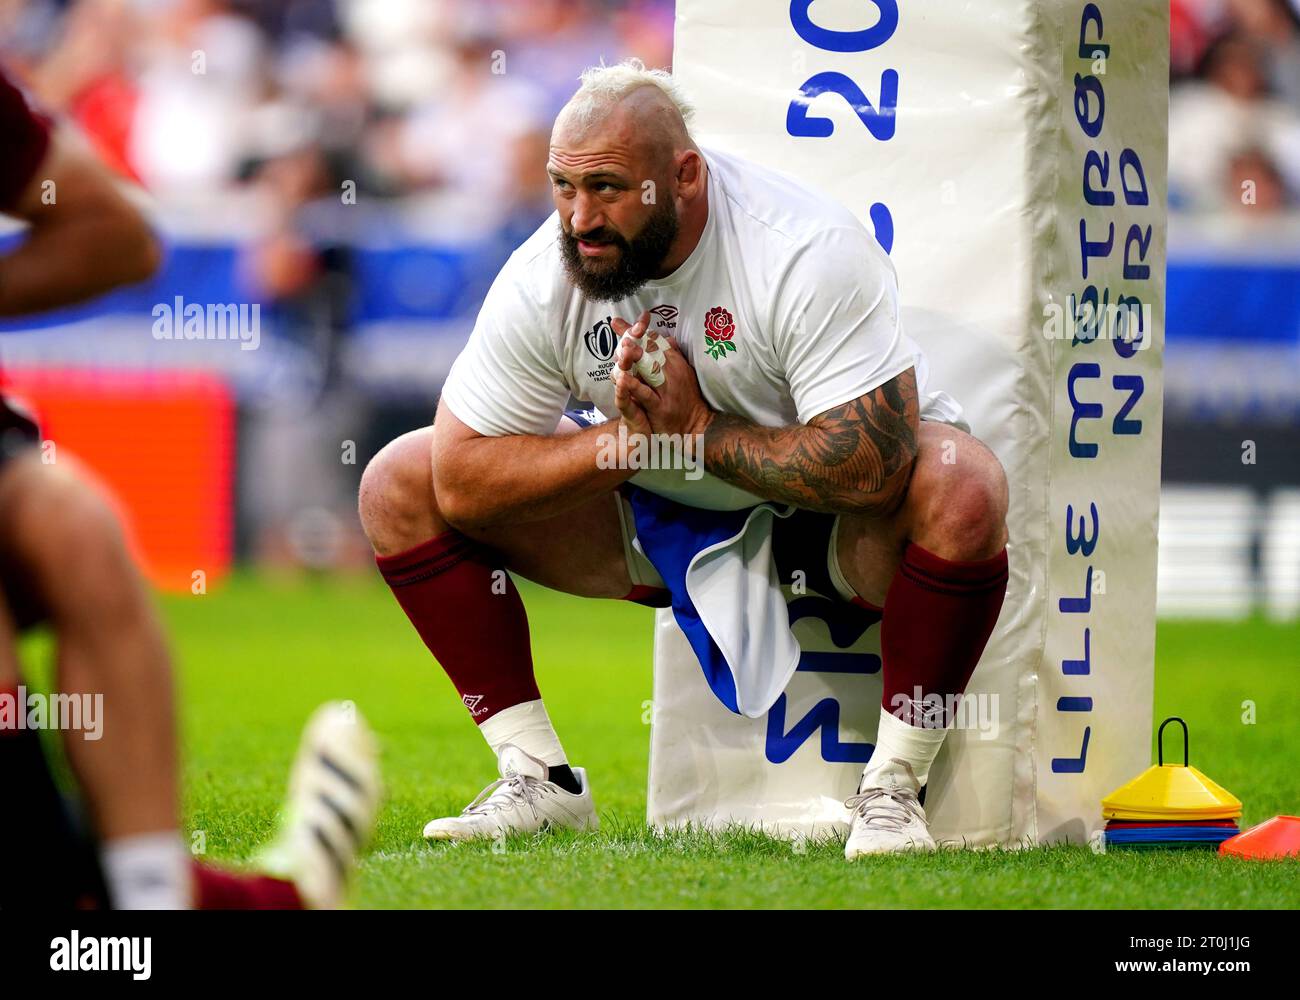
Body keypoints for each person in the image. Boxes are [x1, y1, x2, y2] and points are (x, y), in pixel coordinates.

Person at [360, 59, 1008, 858]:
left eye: (606, 188)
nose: (579, 218)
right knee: (398, 481)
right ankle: (539, 778)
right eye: (563, 187)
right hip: (662, 521)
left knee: (962, 482)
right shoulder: (547, 274)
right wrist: (628, 442)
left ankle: (893, 792)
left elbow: (872, 468)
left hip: (838, 529)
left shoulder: (802, 247)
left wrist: (697, 430)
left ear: (686, 176)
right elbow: (461, 483)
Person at [0, 62, 379, 908]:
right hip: (293, 389)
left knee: (78, 523)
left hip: (311, 388)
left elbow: (124, 237)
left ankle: (150, 903)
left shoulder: (325, 230)